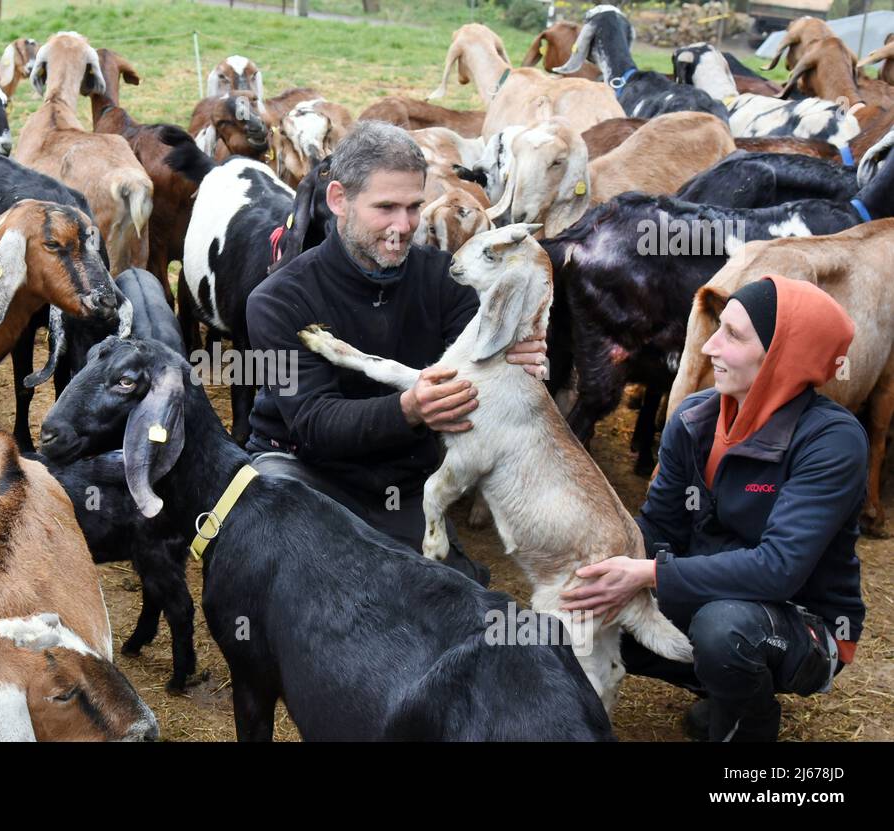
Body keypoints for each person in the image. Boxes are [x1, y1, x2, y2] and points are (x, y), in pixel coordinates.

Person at [561, 275, 867, 741]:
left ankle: (751, 723)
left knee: (722, 631)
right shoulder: (694, 419)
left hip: (806, 626)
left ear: (782, 357)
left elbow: (778, 570)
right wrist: (604, 568)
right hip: (711, 600)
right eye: (718, 328)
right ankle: (726, 688)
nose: (709, 348)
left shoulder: (831, 442)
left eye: (734, 336)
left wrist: (647, 575)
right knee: (588, 609)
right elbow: (659, 526)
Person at [244, 121, 548, 585]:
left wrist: (519, 359)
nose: (403, 227)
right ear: (339, 200)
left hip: (402, 478)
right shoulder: (276, 300)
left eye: (413, 207)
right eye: (385, 208)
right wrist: (411, 408)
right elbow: (313, 424)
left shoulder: (446, 281)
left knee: (446, 595)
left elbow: (484, 378)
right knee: (307, 586)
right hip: (303, 470)